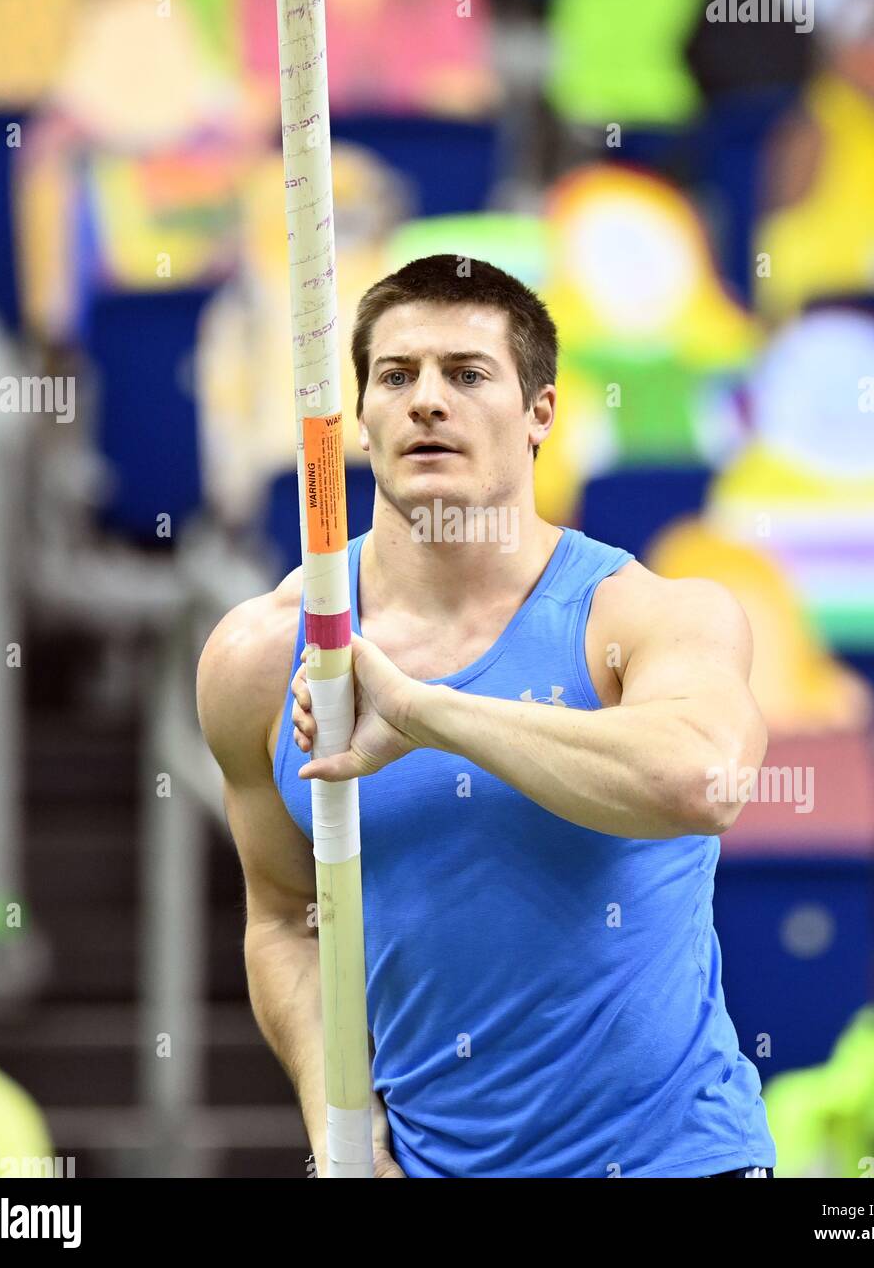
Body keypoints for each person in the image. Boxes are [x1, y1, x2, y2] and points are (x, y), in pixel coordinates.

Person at [196, 255, 776, 1178]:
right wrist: (338, 1125)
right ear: (361, 418)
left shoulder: (643, 616)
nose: (427, 400)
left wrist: (428, 714)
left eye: (466, 375)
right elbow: (282, 922)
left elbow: (700, 781)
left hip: (678, 1161)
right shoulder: (259, 657)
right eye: (396, 376)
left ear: (540, 412)